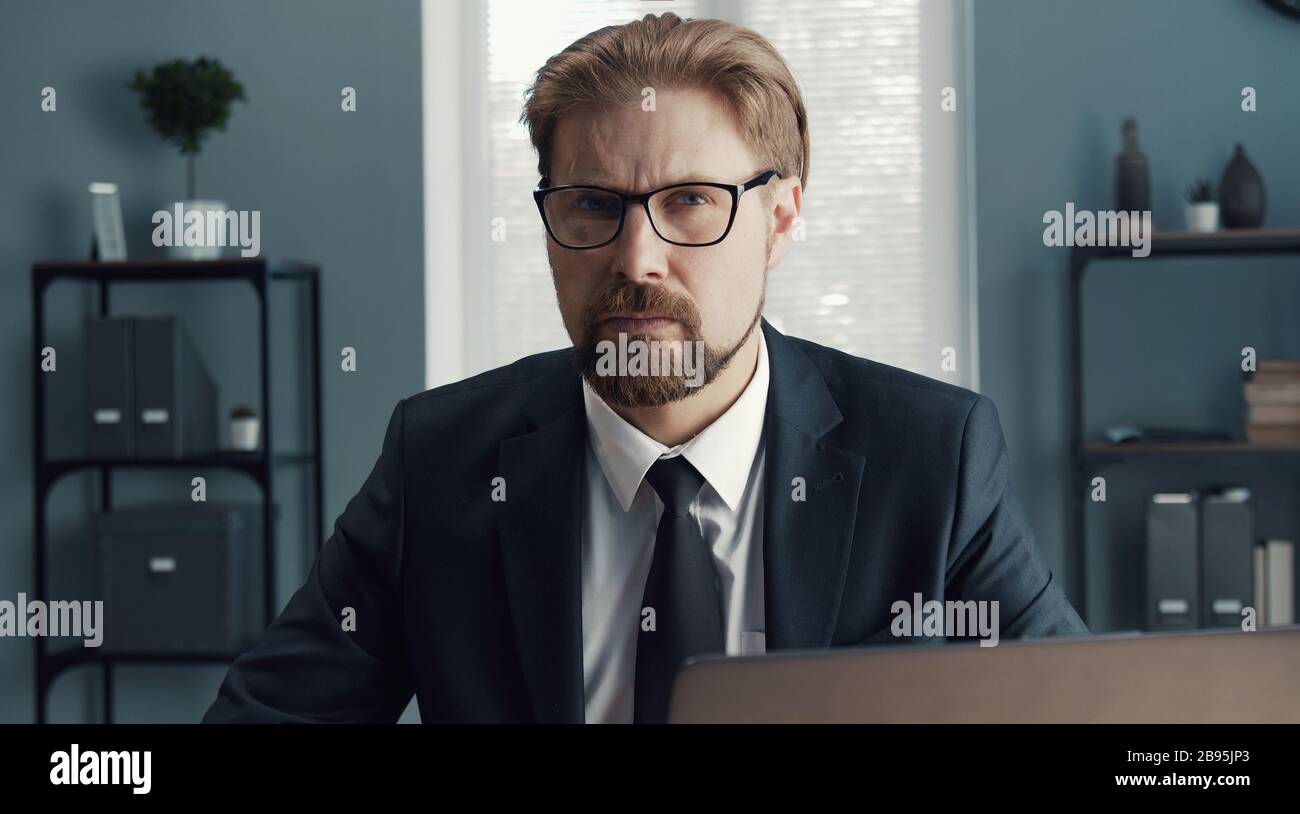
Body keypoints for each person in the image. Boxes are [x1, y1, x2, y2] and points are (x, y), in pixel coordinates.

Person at [204, 12, 1086, 725]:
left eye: (691, 202)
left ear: (780, 218)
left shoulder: (933, 458)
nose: (637, 259)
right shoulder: (440, 460)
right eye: (593, 205)